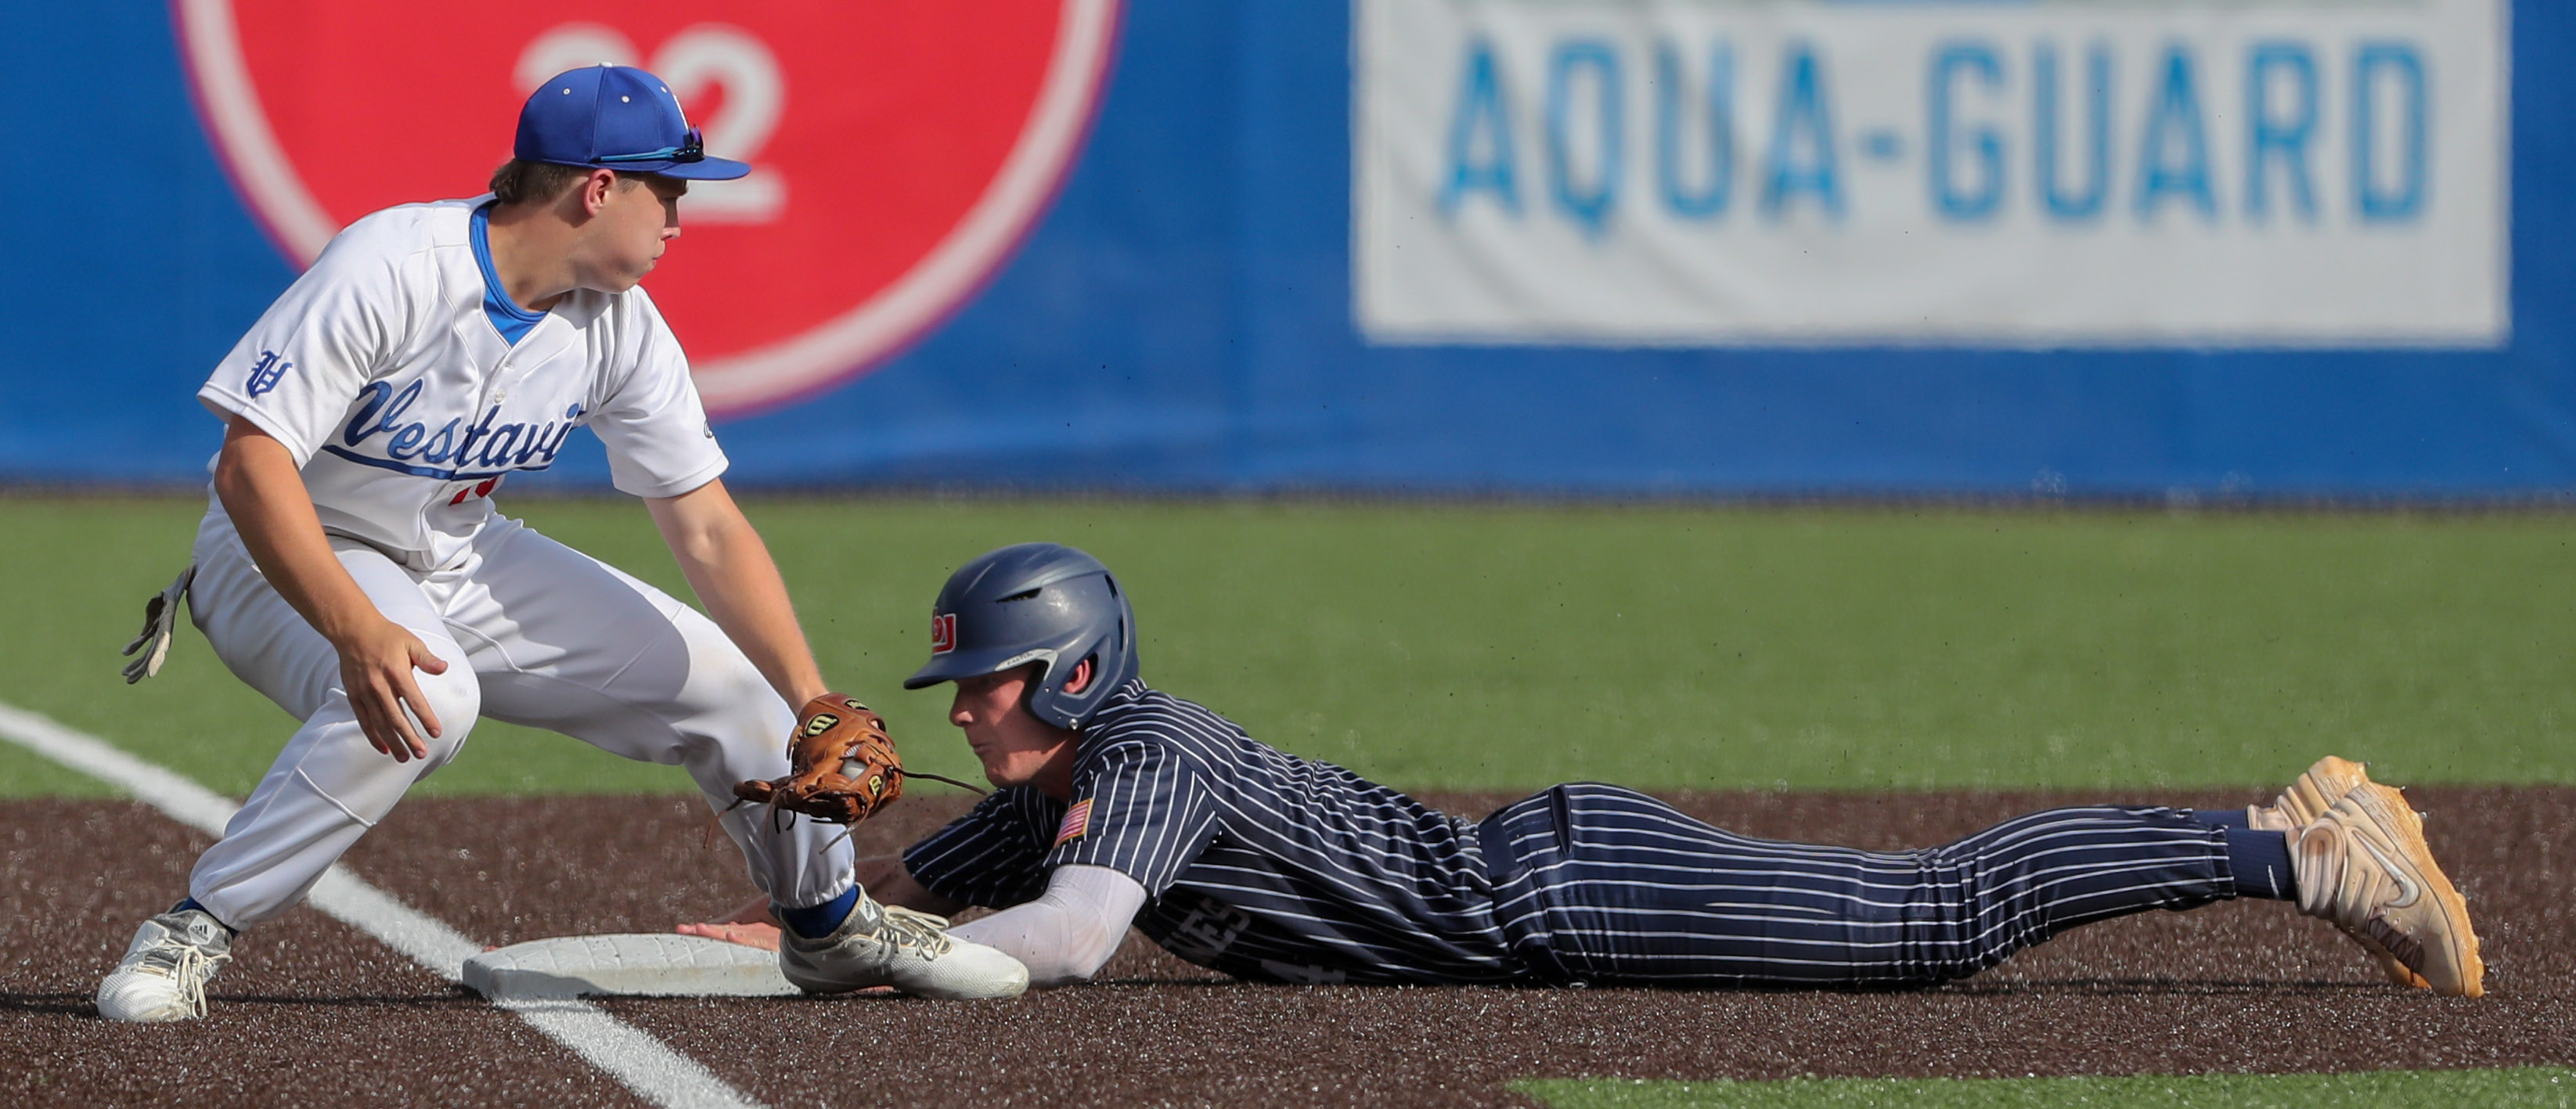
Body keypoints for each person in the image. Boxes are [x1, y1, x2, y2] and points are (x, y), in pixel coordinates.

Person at [95, 66, 1027, 1022]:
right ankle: (192, 928)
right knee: (432, 692)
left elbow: (705, 523)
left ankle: (831, 929)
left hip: (455, 550)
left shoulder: (616, 324)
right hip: (279, 556)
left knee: (739, 686)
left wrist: (812, 697)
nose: (678, 221)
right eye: (667, 193)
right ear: (597, 188)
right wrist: (352, 624)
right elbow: (250, 468)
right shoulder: (395, 264)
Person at [682, 542, 2484, 998]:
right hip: (1530, 890)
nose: (962, 709)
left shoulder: (1146, 753)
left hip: (1559, 891)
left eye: (984, 681)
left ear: (1067, 670)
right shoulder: (1062, 776)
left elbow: (1066, 943)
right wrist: (800, 877)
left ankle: (2295, 848)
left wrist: (865, 942)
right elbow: (910, 889)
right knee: (1931, 919)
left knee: (1937, 918)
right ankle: (2288, 841)